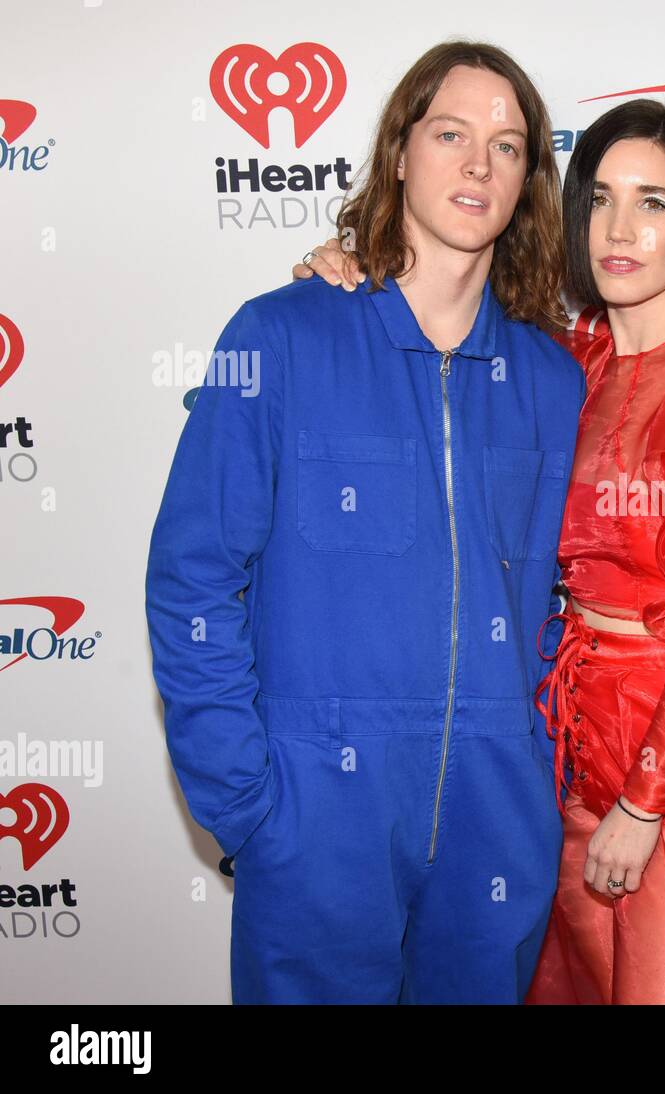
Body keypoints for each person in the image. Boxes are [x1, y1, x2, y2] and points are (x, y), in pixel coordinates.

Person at [298, 98, 665, 1005]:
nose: (620, 229)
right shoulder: (559, 366)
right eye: (602, 199)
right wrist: (348, 268)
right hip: (562, 750)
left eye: (654, 203)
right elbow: (437, 322)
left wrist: (644, 801)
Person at [145, 41, 584, 1004]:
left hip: (497, 816)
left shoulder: (555, 379)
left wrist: (534, 777)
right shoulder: (277, 336)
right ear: (398, 153)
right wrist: (248, 804)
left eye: (508, 147)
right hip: (317, 814)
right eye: (452, 134)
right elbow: (193, 576)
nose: (479, 165)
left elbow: (569, 602)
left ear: (529, 181)